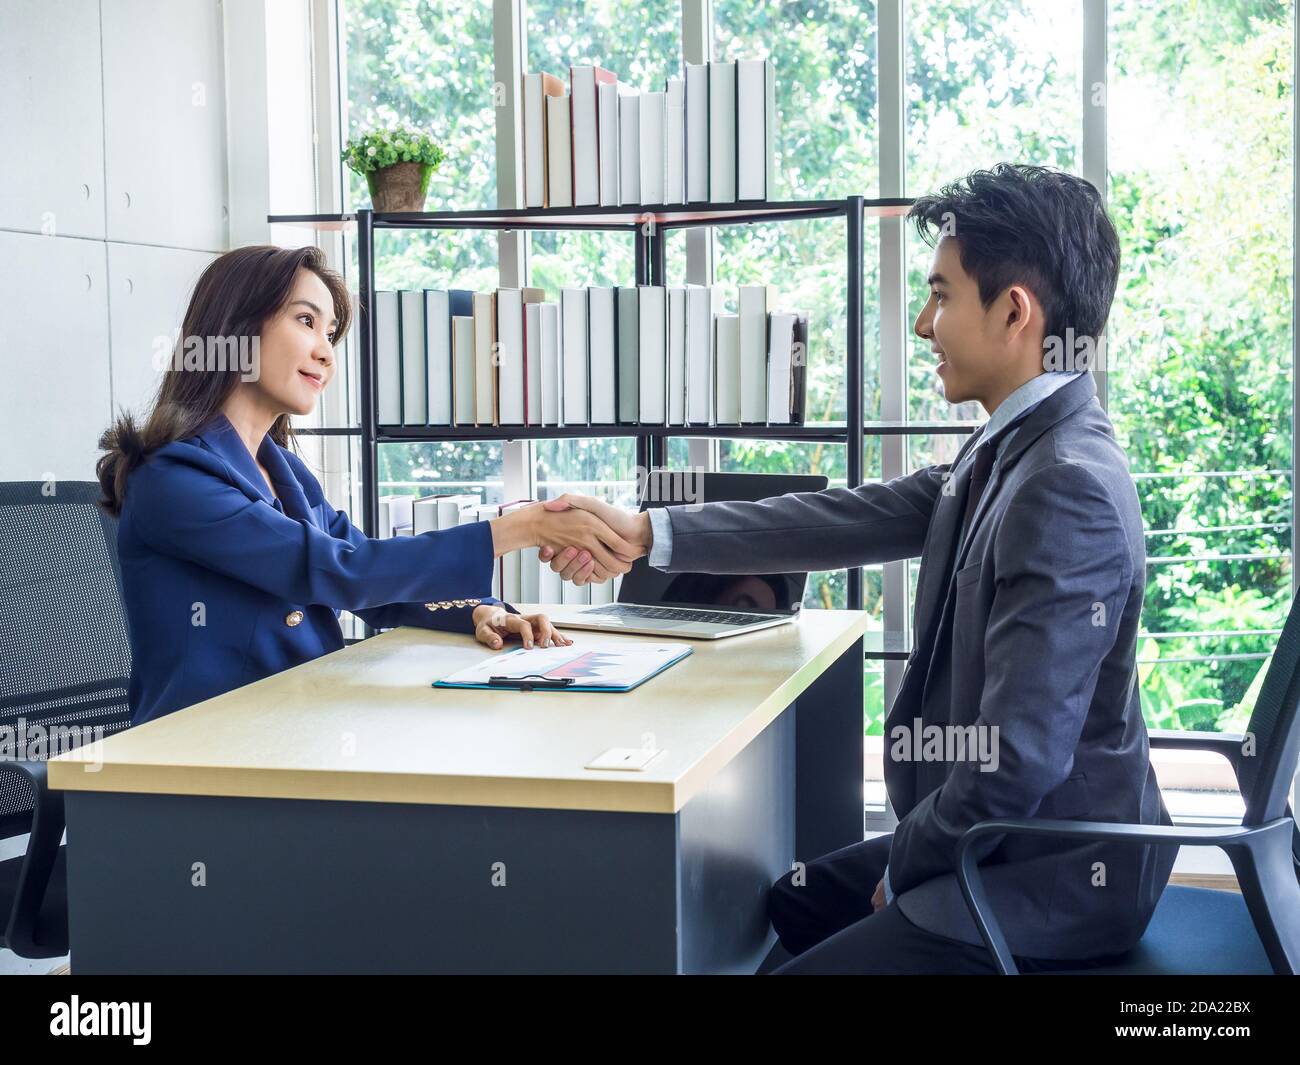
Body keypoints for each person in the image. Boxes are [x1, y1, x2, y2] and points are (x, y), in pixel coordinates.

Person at [539, 164, 1176, 973]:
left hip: (1049, 875)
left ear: (1014, 312)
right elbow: (843, 517)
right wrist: (647, 533)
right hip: (1007, 836)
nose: (921, 321)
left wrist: (911, 866)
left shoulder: (1065, 485)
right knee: (792, 901)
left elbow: (1017, 762)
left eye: (941, 295)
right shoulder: (1012, 445)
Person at [97, 245, 642, 726]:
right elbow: (343, 574)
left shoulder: (282, 469)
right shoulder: (173, 479)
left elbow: (367, 571)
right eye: (305, 322)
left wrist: (478, 611)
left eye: (330, 333)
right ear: (236, 328)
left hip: (296, 722)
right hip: (203, 754)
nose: (326, 351)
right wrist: (521, 526)